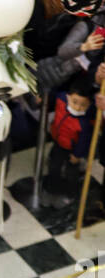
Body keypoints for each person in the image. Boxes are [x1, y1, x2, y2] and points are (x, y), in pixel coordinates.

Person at [42, 74, 95, 207]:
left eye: (83, 105)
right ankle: (51, 189)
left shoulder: (84, 123)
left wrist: (77, 155)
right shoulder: (61, 99)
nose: (77, 108)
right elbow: (52, 95)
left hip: (73, 150)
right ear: (68, 97)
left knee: (71, 173)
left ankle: (70, 195)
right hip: (58, 142)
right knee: (54, 166)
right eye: (75, 102)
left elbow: (84, 140)